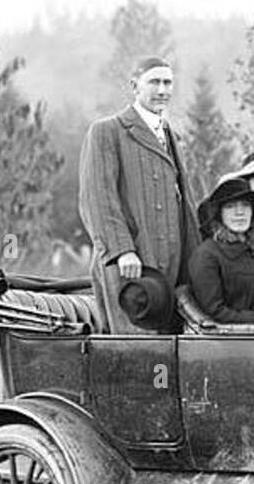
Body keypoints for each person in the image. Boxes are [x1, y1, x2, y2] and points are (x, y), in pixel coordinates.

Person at [79, 56, 199, 332]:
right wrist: (122, 251)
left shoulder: (170, 135)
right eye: (154, 82)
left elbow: (185, 207)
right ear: (135, 86)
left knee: (165, 355)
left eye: (168, 83)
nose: (162, 90)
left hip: (170, 267)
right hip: (130, 267)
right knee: (133, 351)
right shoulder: (107, 131)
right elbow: (97, 201)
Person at [188, 178, 254, 325]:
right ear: (220, 214)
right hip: (232, 340)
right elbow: (215, 311)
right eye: (230, 207)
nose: (239, 212)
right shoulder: (207, 254)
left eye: (245, 205)